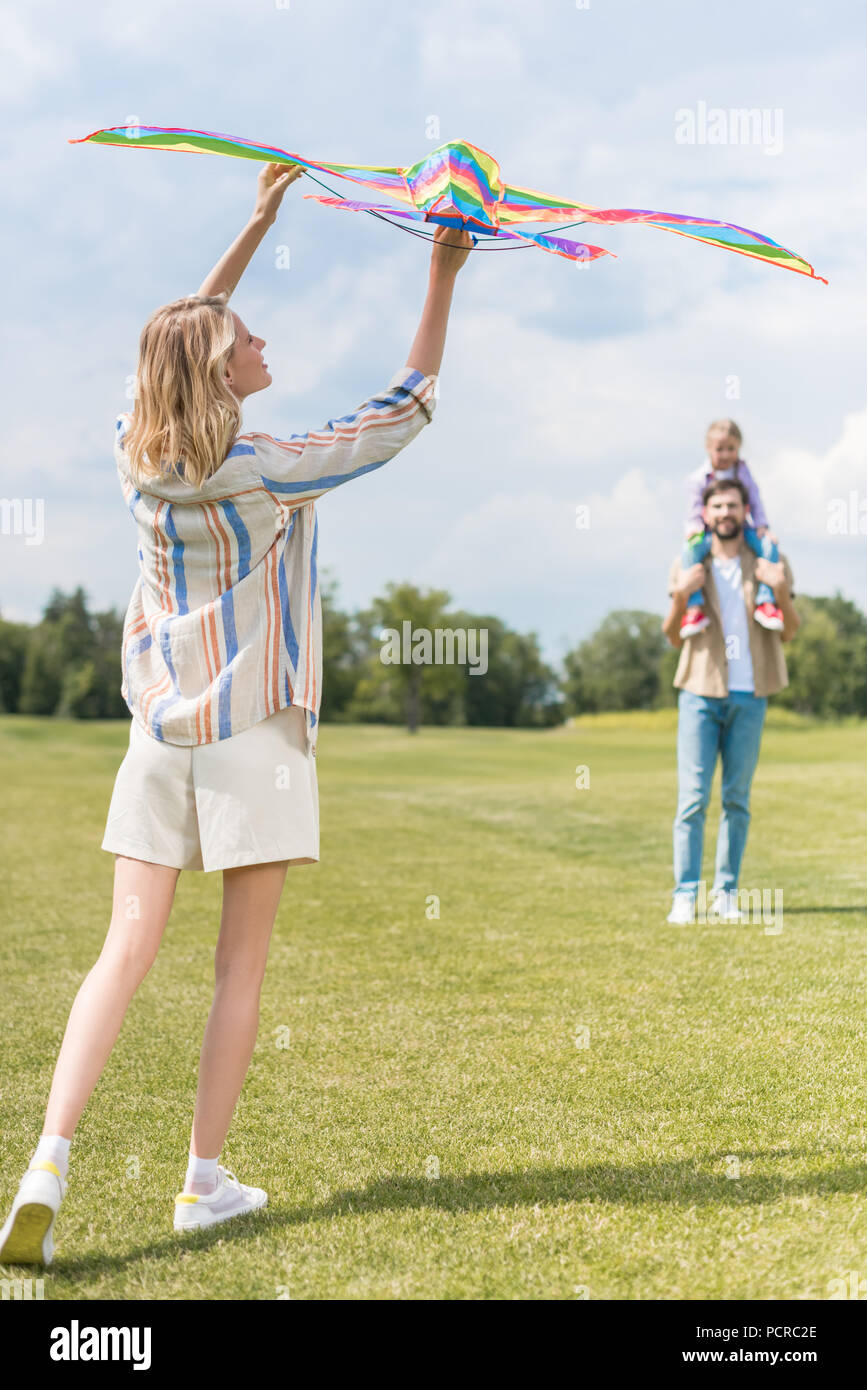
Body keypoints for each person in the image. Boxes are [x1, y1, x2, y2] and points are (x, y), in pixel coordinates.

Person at [0, 162, 472, 1266]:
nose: (265, 346)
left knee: (123, 948)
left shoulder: (136, 460)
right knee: (237, 968)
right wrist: (443, 271)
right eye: (248, 339)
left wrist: (256, 225)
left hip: (157, 733)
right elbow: (404, 410)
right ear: (220, 372)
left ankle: (46, 1163)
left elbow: (156, 358)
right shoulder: (267, 470)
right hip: (254, 731)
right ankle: (200, 1182)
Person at [662, 478, 799, 925]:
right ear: (705, 514)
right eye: (717, 505)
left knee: (737, 799)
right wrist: (683, 593)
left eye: (733, 505)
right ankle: (685, 895)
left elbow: (791, 630)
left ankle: (726, 893)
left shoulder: (767, 561)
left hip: (750, 694)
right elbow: (670, 635)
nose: (725, 512)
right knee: (693, 799)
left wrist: (778, 589)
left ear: (746, 511)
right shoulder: (689, 562)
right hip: (700, 692)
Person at [679, 419, 784, 639]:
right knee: (689, 552)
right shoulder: (698, 479)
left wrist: (762, 525)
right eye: (720, 449)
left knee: (768, 546)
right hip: (707, 532)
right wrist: (694, 528)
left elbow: (755, 499)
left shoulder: (743, 472)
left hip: (743, 528)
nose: (725, 454)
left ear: (739, 449)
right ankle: (694, 608)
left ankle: (765, 601)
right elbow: (694, 508)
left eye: (731, 449)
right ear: (709, 449)